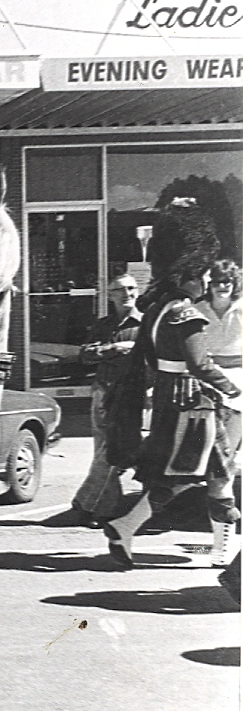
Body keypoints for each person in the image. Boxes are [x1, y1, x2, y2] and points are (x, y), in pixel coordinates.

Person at [103, 206, 241, 569]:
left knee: (209, 474)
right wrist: (234, 390)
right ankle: (127, 526)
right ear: (189, 274)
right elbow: (200, 364)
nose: (208, 281)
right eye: (204, 275)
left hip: (174, 397)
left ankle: (218, 549)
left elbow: (151, 357)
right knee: (195, 475)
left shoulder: (158, 310)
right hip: (193, 403)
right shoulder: (186, 313)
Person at [66, 274, 144, 526]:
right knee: (104, 449)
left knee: (112, 450)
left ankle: (87, 501)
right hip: (103, 391)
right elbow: (85, 355)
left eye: (131, 288)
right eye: (119, 290)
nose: (127, 294)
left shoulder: (145, 324)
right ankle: (104, 509)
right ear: (110, 295)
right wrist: (114, 349)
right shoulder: (104, 325)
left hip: (132, 394)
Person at [198, 258, 242, 588]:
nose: (222, 287)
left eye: (227, 281)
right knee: (213, 472)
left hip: (239, 394)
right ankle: (220, 545)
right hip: (206, 393)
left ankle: (222, 546)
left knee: (224, 471)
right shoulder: (198, 310)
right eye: (217, 281)